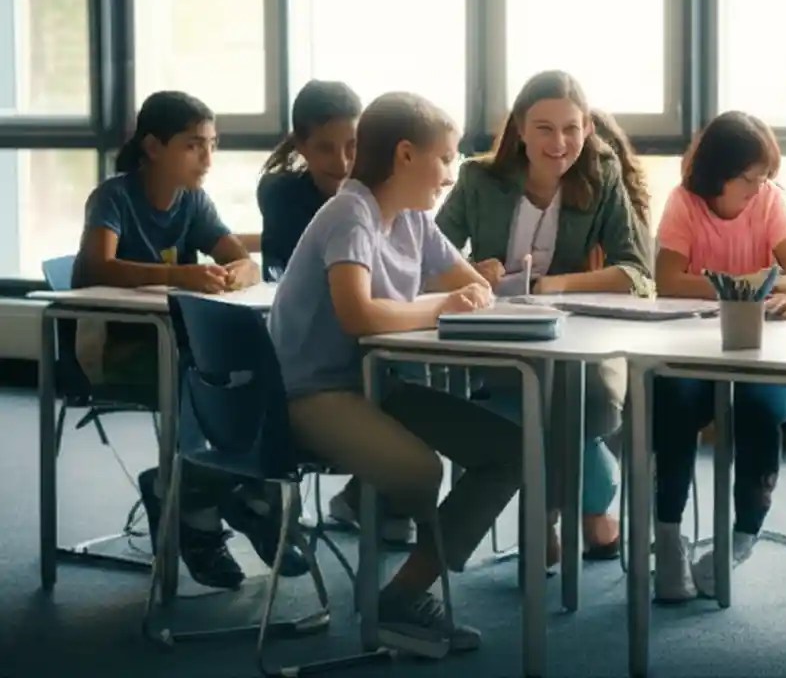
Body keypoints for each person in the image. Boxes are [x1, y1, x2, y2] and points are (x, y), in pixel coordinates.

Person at [268, 91, 522, 657]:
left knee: (512, 451)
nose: (452, 175)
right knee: (419, 471)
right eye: (446, 158)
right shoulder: (349, 212)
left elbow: (466, 284)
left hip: (371, 386)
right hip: (311, 393)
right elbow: (357, 313)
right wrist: (443, 305)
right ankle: (391, 591)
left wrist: (469, 291)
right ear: (405, 155)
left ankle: (402, 595)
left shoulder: (411, 220)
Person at [73, 90, 305, 588]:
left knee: (263, 371)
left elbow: (238, 258)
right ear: (153, 147)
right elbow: (94, 266)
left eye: (212, 145)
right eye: (194, 145)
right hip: (115, 351)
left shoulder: (193, 200)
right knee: (211, 382)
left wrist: (233, 271)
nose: (207, 158)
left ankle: (234, 496)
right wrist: (182, 276)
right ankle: (212, 511)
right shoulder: (114, 196)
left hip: (180, 345)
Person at [432, 71, 652, 562]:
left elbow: (639, 274)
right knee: (534, 409)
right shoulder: (478, 179)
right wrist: (469, 272)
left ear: (588, 128)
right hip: (494, 339)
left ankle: (546, 512)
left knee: (588, 405)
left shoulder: (602, 175)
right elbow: (422, 257)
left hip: (571, 342)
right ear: (521, 130)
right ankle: (586, 508)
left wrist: (552, 285)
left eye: (572, 128)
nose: (560, 142)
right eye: (545, 128)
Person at [650, 110, 786, 601]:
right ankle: (667, 536)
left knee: (758, 408)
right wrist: (749, 284)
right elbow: (667, 281)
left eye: (763, 177)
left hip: (768, 350)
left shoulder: (770, 202)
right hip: (695, 349)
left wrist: (728, 286)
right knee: (674, 400)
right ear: (717, 173)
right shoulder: (684, 203)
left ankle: (742, 539)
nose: (757, 187)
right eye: (748, 178)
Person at [256, 79, 362, 278]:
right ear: (301, 146)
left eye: (352, 145)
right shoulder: (280, 195)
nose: (342, 164)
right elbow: (283, 275)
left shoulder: (381, 193)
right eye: (325, 148)